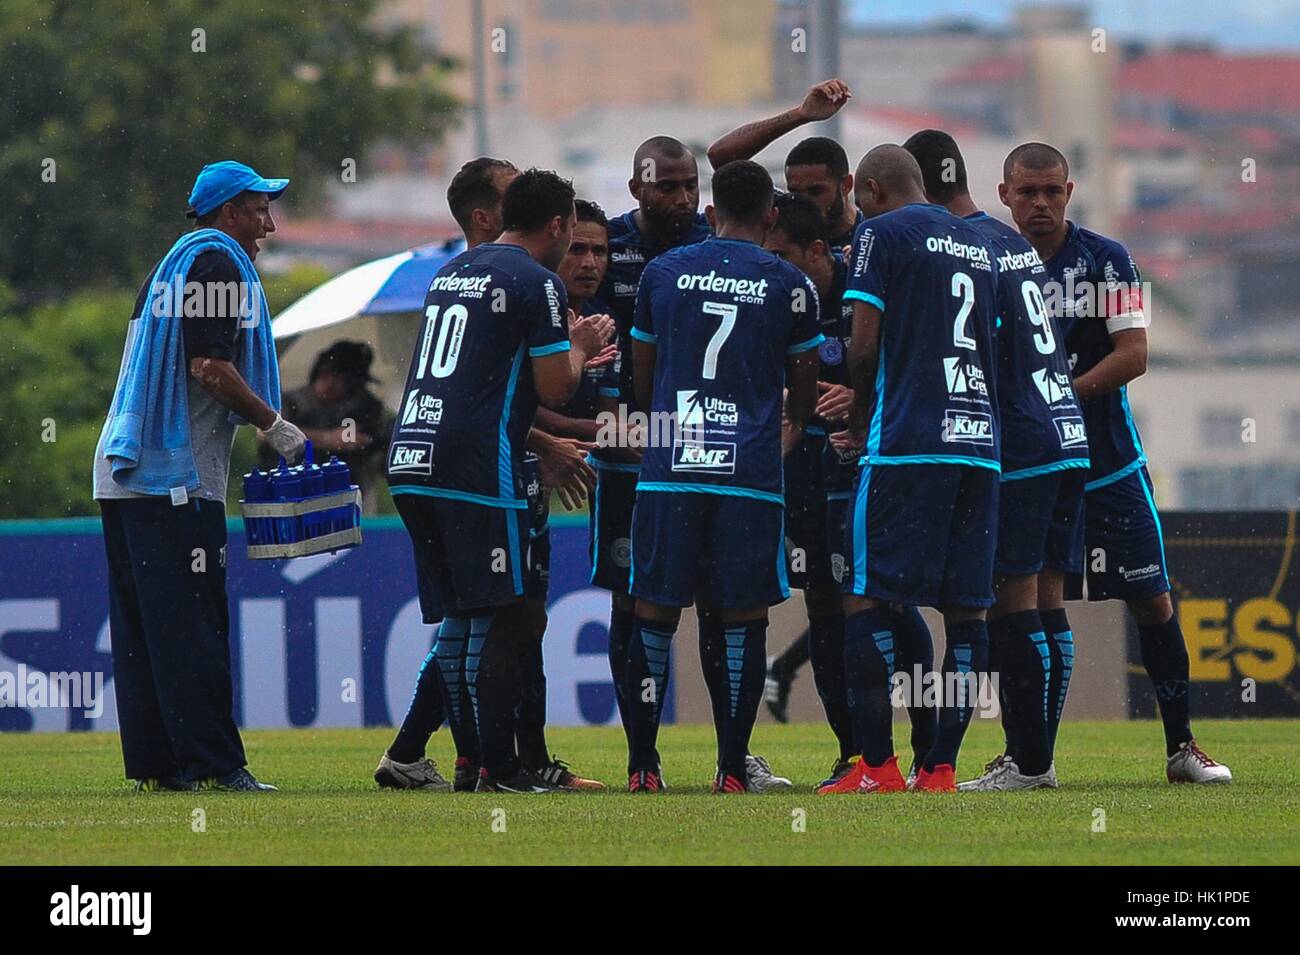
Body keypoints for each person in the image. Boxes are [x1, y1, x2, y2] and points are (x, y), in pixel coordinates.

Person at [999, 142, 1231, 784]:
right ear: (1005, 197)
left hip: (1109, 468)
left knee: (1152, 601)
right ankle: (1032, 762)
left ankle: (1182, 748)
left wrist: (1060, 394)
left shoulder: (1109, 259)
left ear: (1070, 192)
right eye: (1028, 193)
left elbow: (1134, 353)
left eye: (1052, 192)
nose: (1040, 204)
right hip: (1034, 471)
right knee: (1042, 601)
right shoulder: (994, 263)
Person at [384, 168, 614, 794]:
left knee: (462, 619)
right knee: (499, 618)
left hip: (412, 456)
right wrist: (580, 344)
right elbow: (555, 386)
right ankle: (500, 768)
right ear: (559, 225)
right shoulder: (535, 281)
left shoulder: (453, 271)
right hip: (474, 466)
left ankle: (475, 768)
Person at [94, 160, 305, 792]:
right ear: (229, 211)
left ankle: (163, 766)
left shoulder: (171, 264)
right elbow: (210, 366)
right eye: (259, 208)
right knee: (193, 624)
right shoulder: (216, 262)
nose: (268, 223)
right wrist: (275, 423)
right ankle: (215, 765)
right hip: (169, 476)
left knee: (146, 631)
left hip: (123, 470)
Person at [623, 160, 823, 793]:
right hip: (748, 476)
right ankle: (732, 770)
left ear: (711, 211)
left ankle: (642, 768)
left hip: (670, 470)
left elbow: (643, 380)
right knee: (739, 617)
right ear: (771, 216)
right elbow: (804, 397)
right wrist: (778, 442)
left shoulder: (662, 272)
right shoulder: (791, 284)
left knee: (652, 612)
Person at [902, 129, 1089, 791]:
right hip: (1064, 430)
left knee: (1009, 603)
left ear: (916, 190)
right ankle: (1030, 756)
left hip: (1021, 439)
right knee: (1042, 597)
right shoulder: (1006, 240)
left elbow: (975, 348)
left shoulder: (960, 245)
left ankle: (1032, 763)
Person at [829, 145, 1002, 795]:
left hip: (907, 443)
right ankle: (942, 766)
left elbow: (864, 340)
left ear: (871, 190)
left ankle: (876, 765)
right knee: (966, 612)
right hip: (979, 444)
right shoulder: (976, 242)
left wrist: (856, 414)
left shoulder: (879, 232)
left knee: (867, 595)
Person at [764, 192, 938, 790]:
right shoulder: (774, 300)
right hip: (803, 474)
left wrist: (857, 403)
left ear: (817, 251)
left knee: (887, 600)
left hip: (868, 469)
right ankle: (854, 754)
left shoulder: (861, 286)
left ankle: (926, 752)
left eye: (784, 256)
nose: (775, 268)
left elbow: (903, 360)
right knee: (821, 604)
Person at [707, 79, 861, 249]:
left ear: (846, 185)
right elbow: (721, 157)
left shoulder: (870, 236)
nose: (804, 202)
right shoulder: (782, 214)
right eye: (794, 191)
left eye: (816, 191)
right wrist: (800, 115)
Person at [259, 340, 392, 511]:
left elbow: (363, 440)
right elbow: (267, 435)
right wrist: (327, 439)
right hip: (289, 493)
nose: (332, 383)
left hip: (347, 494)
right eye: (330, 374)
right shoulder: (292, 402)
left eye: (345, 380)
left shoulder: (363, 406)